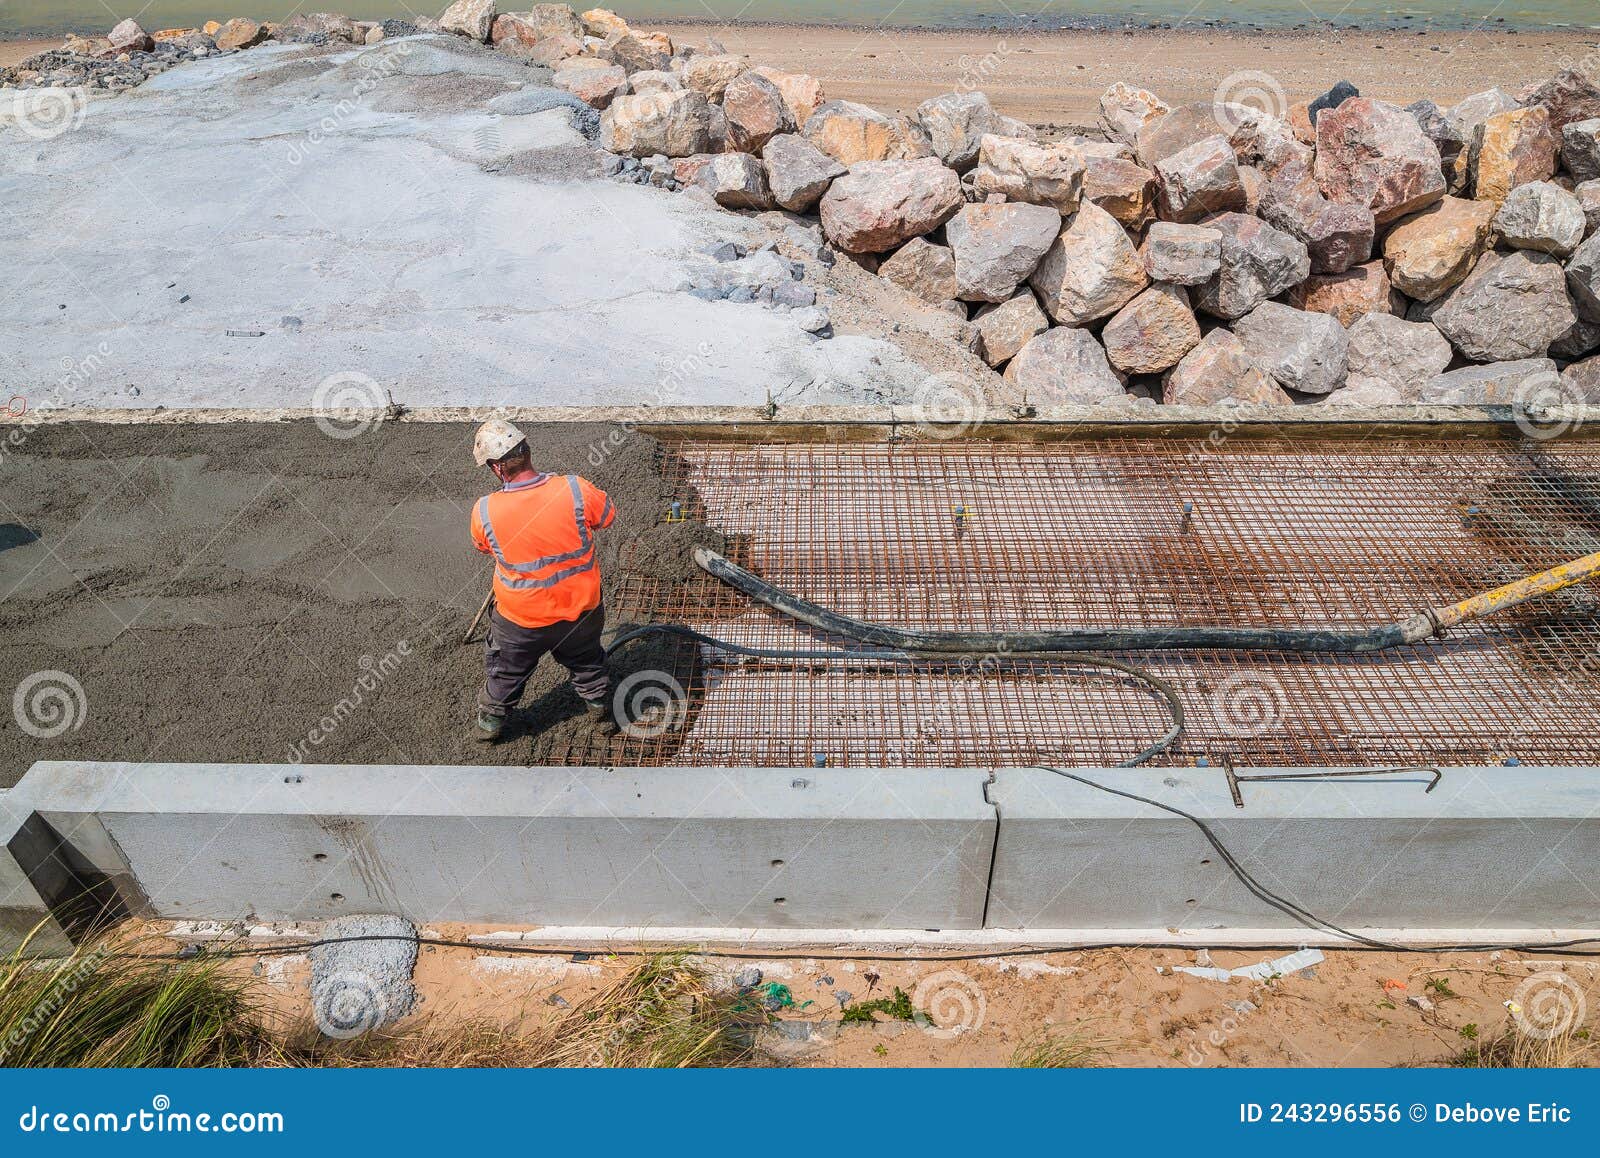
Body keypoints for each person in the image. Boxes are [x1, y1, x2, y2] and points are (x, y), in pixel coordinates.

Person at [468, 419, 618, 743]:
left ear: (496, 468)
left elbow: (483, 547)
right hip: (581, 612)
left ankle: (490, 726)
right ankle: (601, 713)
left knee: (506, 671)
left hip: (521, 621)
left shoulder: (484, 510)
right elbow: (607, 516)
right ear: (527, 450)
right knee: (587, 662)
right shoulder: (575, 488)